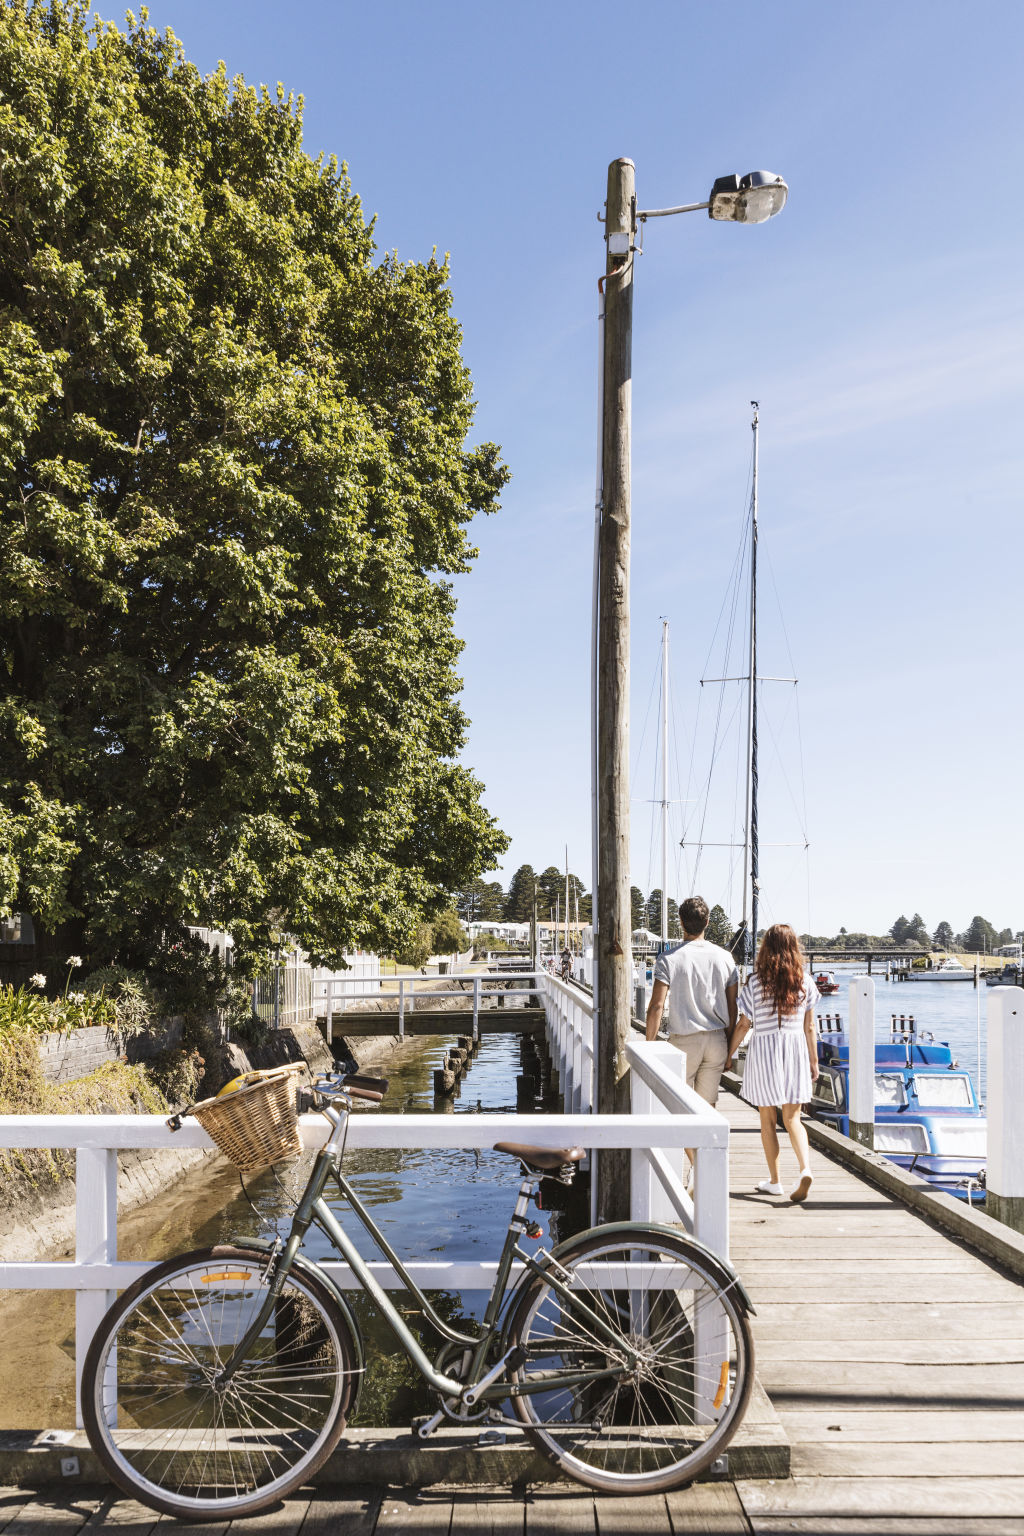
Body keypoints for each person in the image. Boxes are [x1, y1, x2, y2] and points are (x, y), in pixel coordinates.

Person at [725, 923, 819, 1203]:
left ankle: (775, 1181)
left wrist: (729, 1054)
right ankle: (805, 1169)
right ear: (794, 948)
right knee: (793, 1119)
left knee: (767, 1119)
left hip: (764, 1048)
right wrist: (813, 1062)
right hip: (794, 1048)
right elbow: (810, 1027)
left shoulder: (755, 982)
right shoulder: (805, 981)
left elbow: (744, 1024)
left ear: (766, 948)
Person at [645, 895, 739, 1115]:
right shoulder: (725, 958)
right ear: (707, 922)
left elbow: (656, 1007)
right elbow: (733, 1008)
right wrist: (729, 1048)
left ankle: (691, 1151)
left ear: (680, 921)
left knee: (681, 1110)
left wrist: (649, 1045)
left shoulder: (668, 959)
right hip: (717, 1039)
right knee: (708, 1109)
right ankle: (705, 1150)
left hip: (684, 1041)